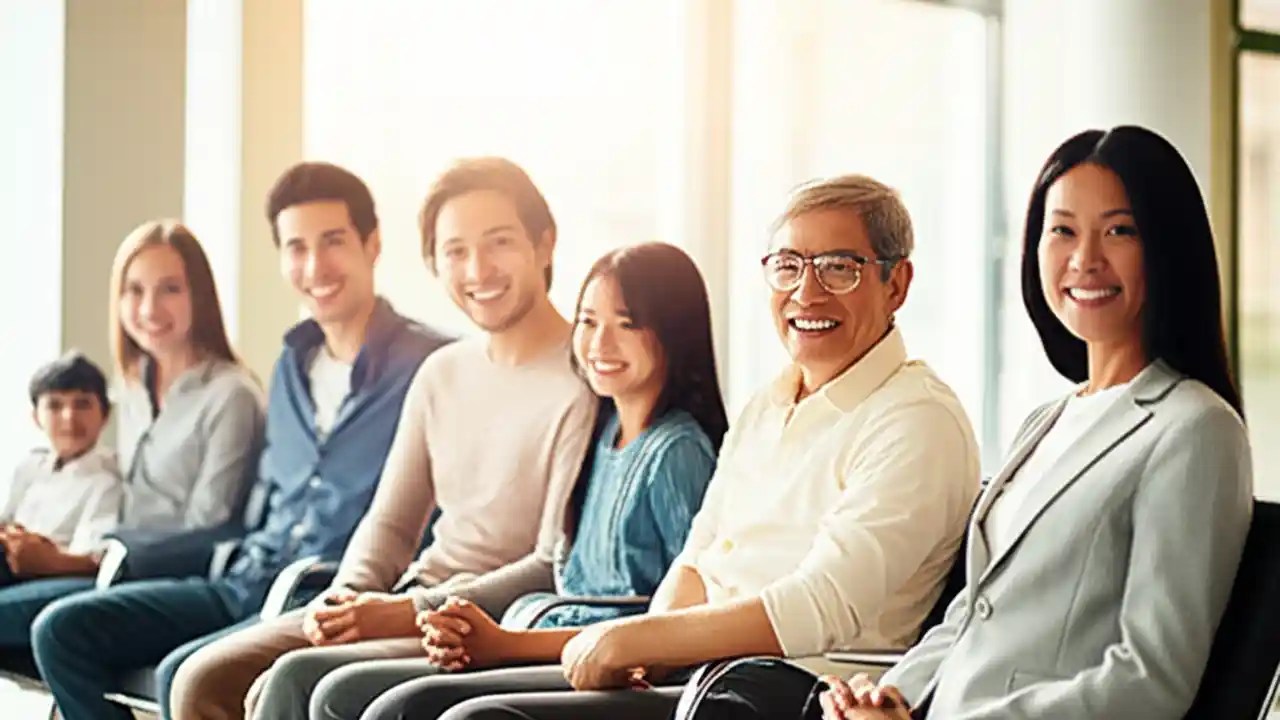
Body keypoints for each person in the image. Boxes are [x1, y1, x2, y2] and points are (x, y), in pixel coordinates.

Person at [359, 174, 982, 720]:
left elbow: (817, 607)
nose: (806, 292)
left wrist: (640, 643)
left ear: (896, 283)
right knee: (399, 706)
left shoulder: (915, 421)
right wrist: (642, 648)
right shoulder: (771, 402)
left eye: (838, 268)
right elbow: (696, 561)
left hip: (781, 691)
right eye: (788, 266)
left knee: (470, 719)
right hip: (695, 673)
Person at [819, 126, 1252, 720]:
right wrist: (889, 693)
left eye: (1119, 231)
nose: (1085, 259)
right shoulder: (1048, 420)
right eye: (1063, 230)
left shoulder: (1196, 429)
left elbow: (1151, 680)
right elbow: (974, 613)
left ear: (1167, 246)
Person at [169, 157, 597, 720]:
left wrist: (398, 613)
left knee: (294, 681)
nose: (478, 270)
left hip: (484, 620)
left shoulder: (584, 378)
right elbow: (391, 524)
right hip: (404, 596)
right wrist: (344, 599)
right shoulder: (443, 373)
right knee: (202, 679)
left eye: (499, 243)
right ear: (432, 264)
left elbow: (549, 564)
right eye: (455, 252)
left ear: (545, 245)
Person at [30, 163, 452, 720]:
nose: (314, 266)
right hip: (245, 577)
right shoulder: (289, 367)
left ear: (372, 245)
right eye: (296, 247)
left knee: (183, 671)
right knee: (62, 629)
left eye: (333, 243)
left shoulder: (430, 365)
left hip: (320, 592)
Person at [288, 242, 729, 720]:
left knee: (384, 704)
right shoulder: (602, 431)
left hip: (611, 665)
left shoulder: (677, 452)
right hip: (548, 630)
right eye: (588, 321)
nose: (600, 344)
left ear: (675, 333)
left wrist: (505, 644)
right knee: (341, 687)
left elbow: (676, 624)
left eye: (628, 324)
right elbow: (563, 573)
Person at [0, 220, 264, 664]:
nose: (149, 308)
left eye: (169, 289)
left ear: (198, 294)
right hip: (101, 564)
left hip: (155, 576)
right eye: (134, 290)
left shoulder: (231, 395)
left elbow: (208, 527)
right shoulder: (133, 386)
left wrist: (75, 562)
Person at [0, 352, 121, 585]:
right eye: (54, 406)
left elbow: (92, 556)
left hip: (46, 572)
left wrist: (41, 556)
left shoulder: (107, 479)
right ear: (36, 417)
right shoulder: (29, 467)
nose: (69, 418)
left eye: (82, 404)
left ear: (105, 414)